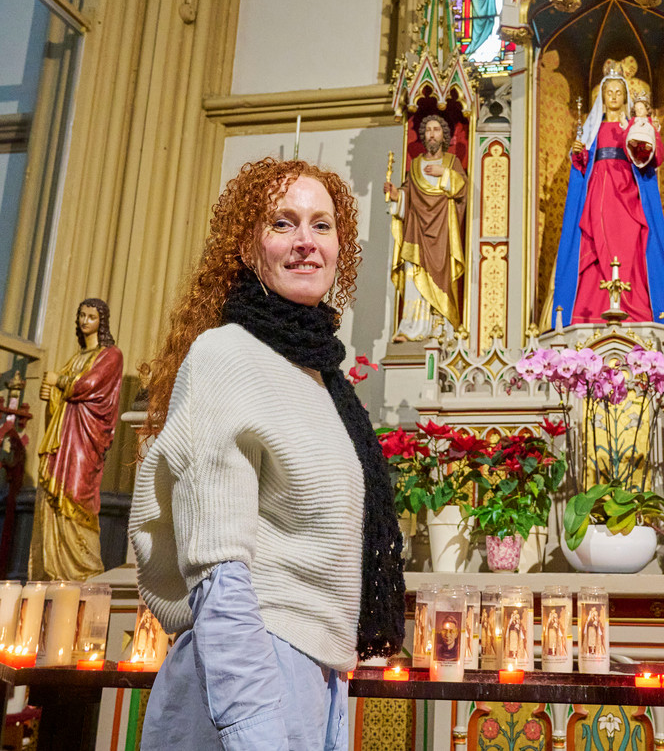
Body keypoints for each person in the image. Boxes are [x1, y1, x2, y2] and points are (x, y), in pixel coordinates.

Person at [129, 158, 405, 749]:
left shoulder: (325, 382)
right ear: (248, 248)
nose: (307, 242)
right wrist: (255, 728)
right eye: (283, 223)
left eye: (322, 225)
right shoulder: (226, 356)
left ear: (342, 247)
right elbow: (219, 574)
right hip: (245, 679)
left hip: (313, 678)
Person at [551, 58, 664, 326]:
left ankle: (637, 308)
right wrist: (578, 153)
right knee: (595, 245)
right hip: (598, 193)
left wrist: (649, 137)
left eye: (619, 92)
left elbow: (651, 158)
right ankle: (590, 310)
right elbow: (583, 165)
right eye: (609, 92)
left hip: (627, 193)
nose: (614, 96)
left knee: (630, 247)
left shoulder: (634, 126)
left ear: (625, 97)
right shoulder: (592, 130)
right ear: (603, 98)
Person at [30, 298, 123, 581]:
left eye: (91, 317)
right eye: (81, 315)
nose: (85, 321)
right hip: (63, 437)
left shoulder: (111, 355)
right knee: (54, 497)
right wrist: (52, 397)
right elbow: (67, 395)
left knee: (76, 494)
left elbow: (89, 386)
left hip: (85, 440)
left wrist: (59, 382)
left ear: (101, 322)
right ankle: (53, 573)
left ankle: (84, 572)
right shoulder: (76, 357)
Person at [386, 113, 468, 340]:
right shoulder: (415, 166)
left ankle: (439, 326)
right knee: (413, 277)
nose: (432, 134)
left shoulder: (452, 163)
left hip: (442, 233)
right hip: (416, 230)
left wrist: (445, 174)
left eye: (436, 130)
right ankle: (411, 327)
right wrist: (396, 196)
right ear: (423, 136)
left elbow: (462, 191)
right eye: (428, 130)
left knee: (440, 277)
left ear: (444, 136)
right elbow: (408, 196)